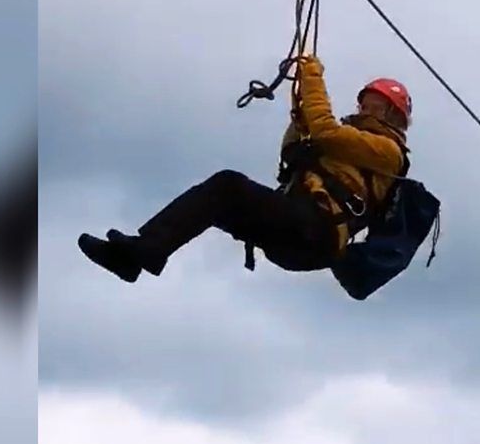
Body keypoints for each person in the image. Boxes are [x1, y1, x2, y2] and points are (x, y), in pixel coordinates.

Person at [77, 56, 413, 283]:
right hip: (300, 229)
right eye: (365, 102)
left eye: (374, 104)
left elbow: (325, 131)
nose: (364, 107)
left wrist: (311, 76)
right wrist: (300, 115)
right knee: (218, 197)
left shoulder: (387, 152)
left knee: (228, 187)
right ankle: (140, 253)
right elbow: (296, 151)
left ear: (391, 115)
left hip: (316, 230)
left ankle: (144, 252)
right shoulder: (351, 144)